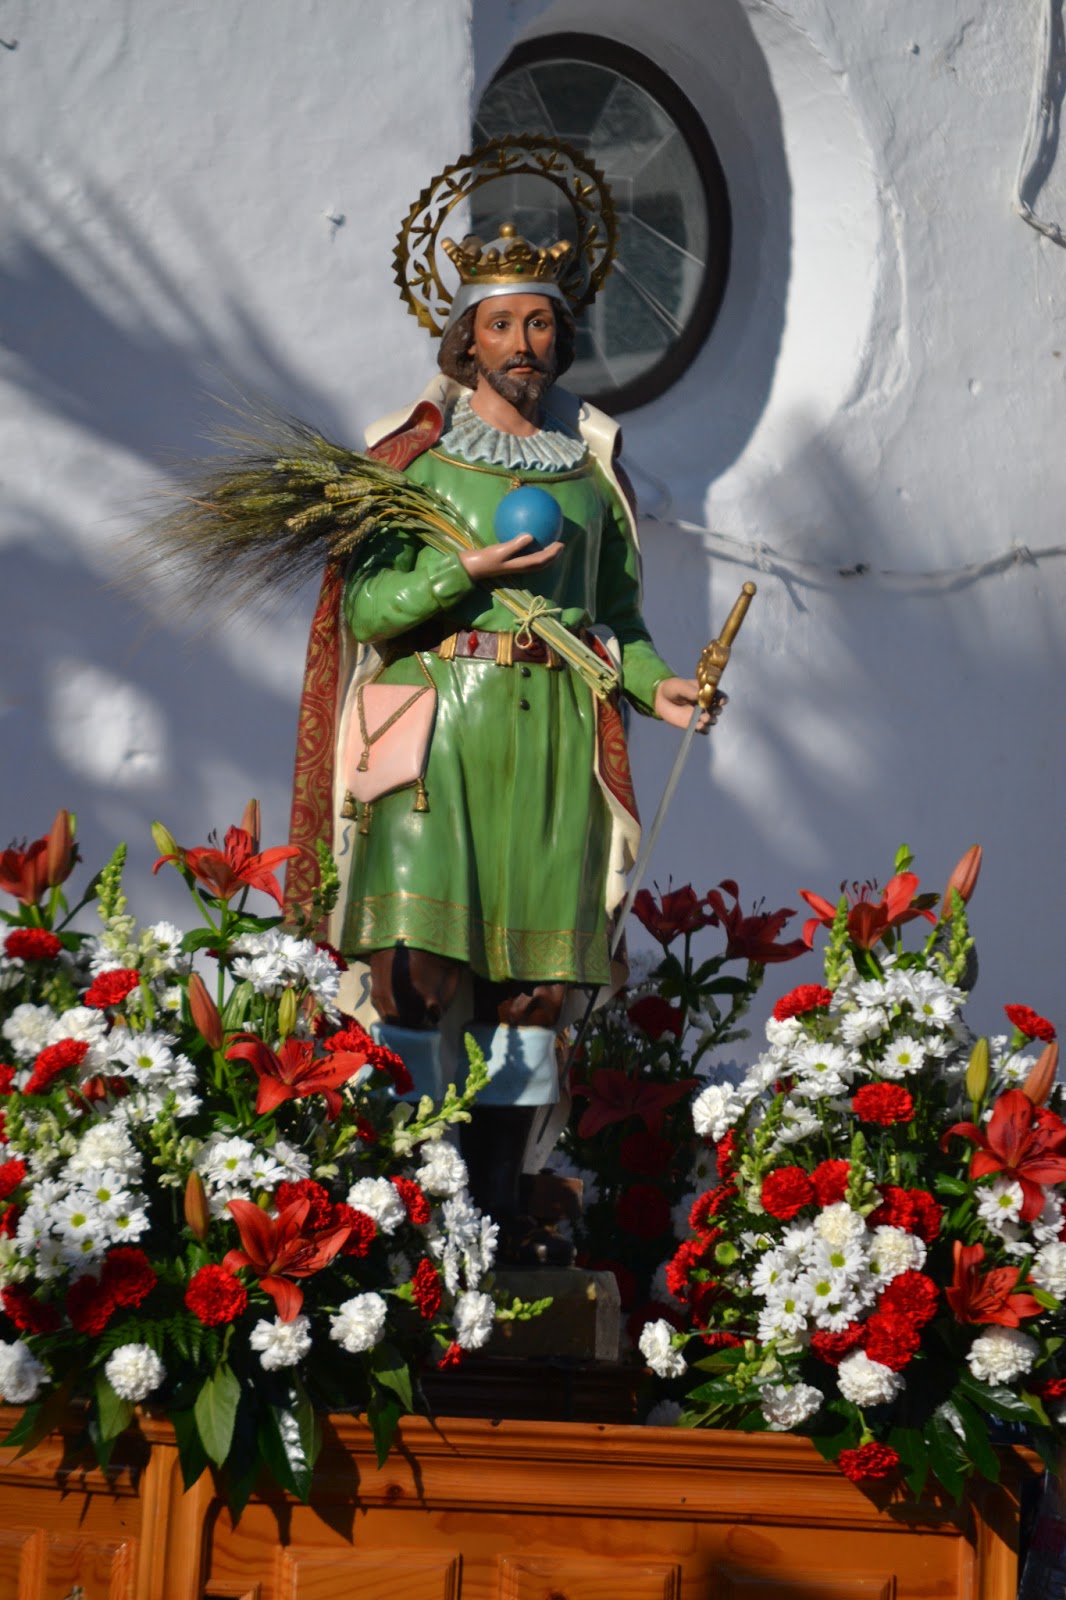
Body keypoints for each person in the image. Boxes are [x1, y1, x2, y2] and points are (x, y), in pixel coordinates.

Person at [287, 143, 717, 1257]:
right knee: (418, 972)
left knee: (536, 987)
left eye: (539, 325)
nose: (523, 346)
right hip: (437, 733)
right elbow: (371, 610)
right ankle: (410, 1189)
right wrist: (461, 575)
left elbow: (614, 617)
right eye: (501, 326)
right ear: (463, 338)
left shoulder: (587, 465)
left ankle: (492, 1201)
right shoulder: (416, 465)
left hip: (552, 739)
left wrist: (657, 685)